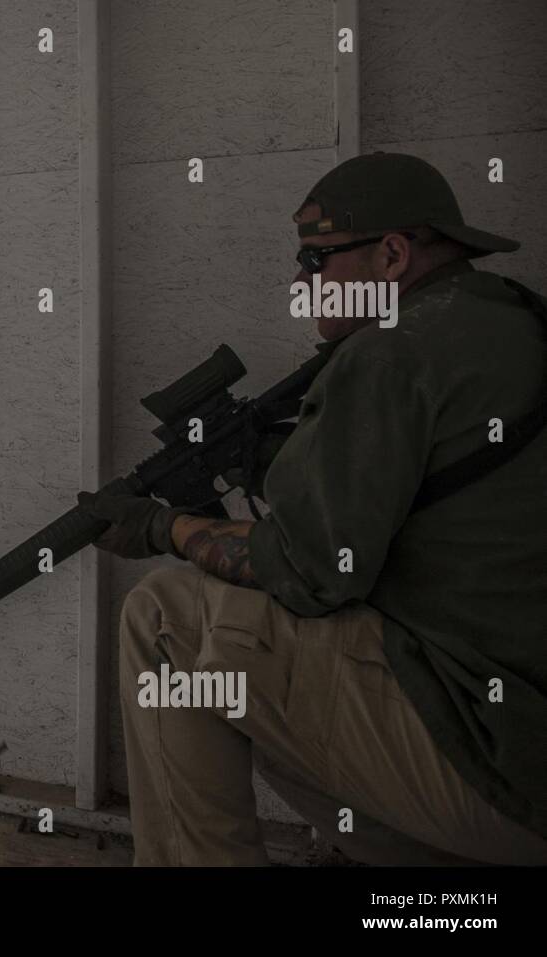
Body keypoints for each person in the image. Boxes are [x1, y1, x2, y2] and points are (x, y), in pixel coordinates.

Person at [81, 152, 547, 865]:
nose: (302, 283)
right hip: (520, 729)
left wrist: (162, 525)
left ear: (392, 254)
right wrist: (283, 461)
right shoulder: (511, 318)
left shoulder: (387, 354)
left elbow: (313, 574)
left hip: (496, 766)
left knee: (165, 616)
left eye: (316, 259)